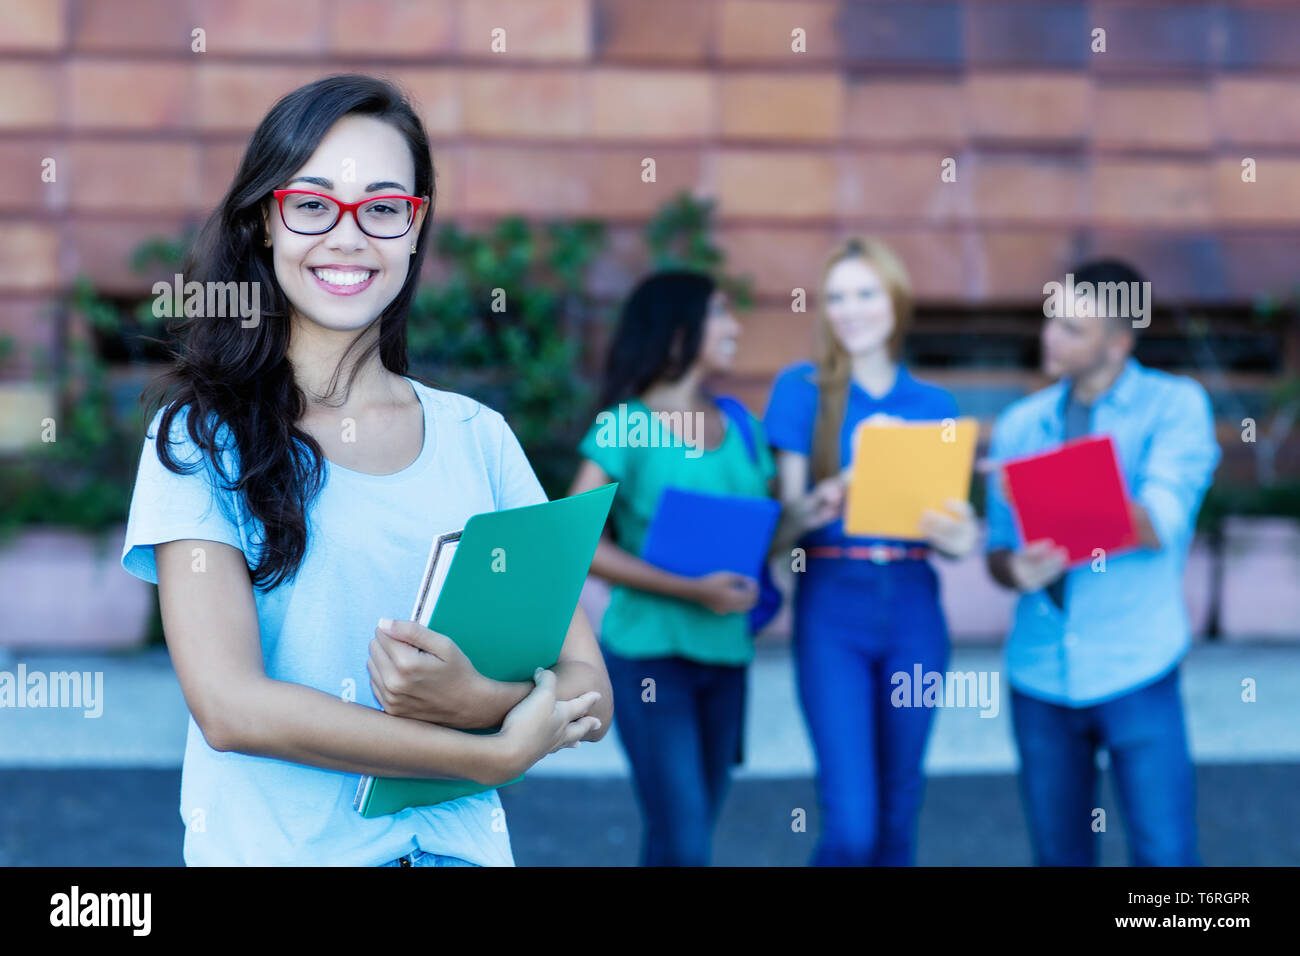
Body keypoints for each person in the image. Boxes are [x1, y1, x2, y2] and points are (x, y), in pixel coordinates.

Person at [119, 74, 610, 867]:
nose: (348, 236)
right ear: (267, 224)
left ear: (415, 231)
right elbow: (229, 705)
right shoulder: (201, 439)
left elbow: (592, 687)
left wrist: (479, 702)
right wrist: (485, 751)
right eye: (313, 203)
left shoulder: (478, 438)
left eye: (383, 207)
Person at [984, 258, 1221, 866]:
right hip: (1039, 671)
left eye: (1072, 329)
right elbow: (999, 556)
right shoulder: (1019, 424)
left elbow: (1158, 524)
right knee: (1058, 856)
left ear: (1118, 342)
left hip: (1135, 666)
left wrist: (1051, 494)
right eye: (1051, 322)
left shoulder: (1176, 407)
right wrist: (1018, 569)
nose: (1050, 338)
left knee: (1165, 861)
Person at [763, 236, 978, 866]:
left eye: (866, 294)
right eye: (836, 298)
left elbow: (951, 530)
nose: (850, 310)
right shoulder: (801, 391)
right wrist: (822, 501)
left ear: (896, 302)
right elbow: (785, 526)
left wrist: (962, 538)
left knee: (897, 814)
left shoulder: (935, 406)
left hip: (914, 605)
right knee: (851, 825)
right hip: (833, 604)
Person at [567, 269, 795, 866]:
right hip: (650, 657)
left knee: (684, 834)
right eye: (720, 313)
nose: (735, 327)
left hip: (725, 659)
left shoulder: (745, 426)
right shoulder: (626, 425)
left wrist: (807, 516)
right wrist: (692, 589)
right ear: (678, 331)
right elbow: (578, 541)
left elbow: (763, 537)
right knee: (686, 837)